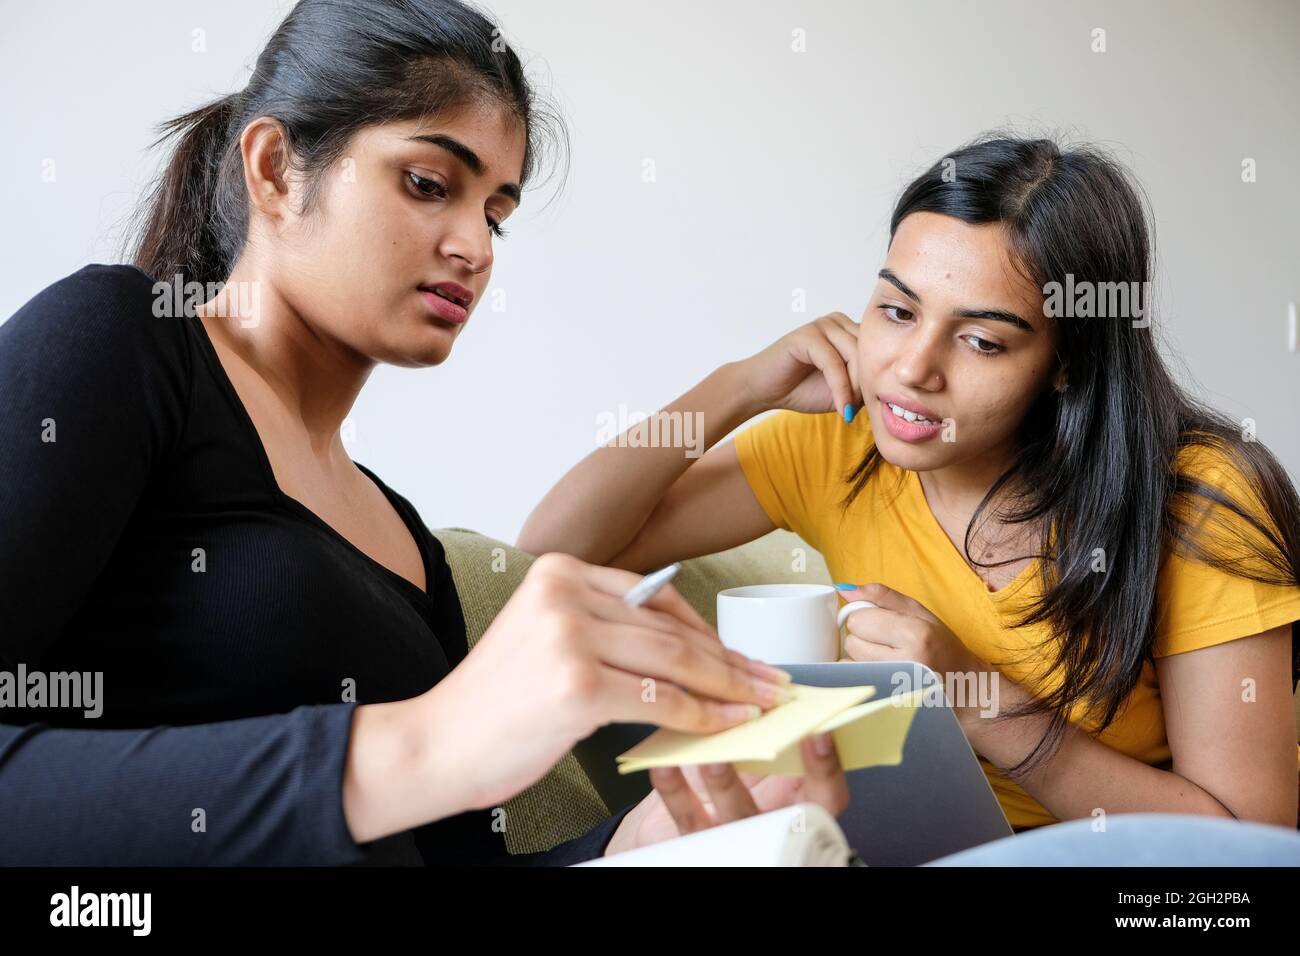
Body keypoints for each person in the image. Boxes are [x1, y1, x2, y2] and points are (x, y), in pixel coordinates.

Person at [0, 0, 849, 866]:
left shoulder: (402, 535)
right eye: (429, 184)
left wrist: (637, 843)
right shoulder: (121, 342)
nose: (476, 248)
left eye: (496, 213)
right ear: (275, 169)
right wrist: (424, 743)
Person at [520, 135, 1300, 834]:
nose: (913, 369)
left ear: (1069, 363)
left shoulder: (1199, 500)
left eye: (982, 341)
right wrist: (739, 386)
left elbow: (1248, 844)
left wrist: (977, 699)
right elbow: (553, 549)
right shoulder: (840, 443)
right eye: (896, 310)